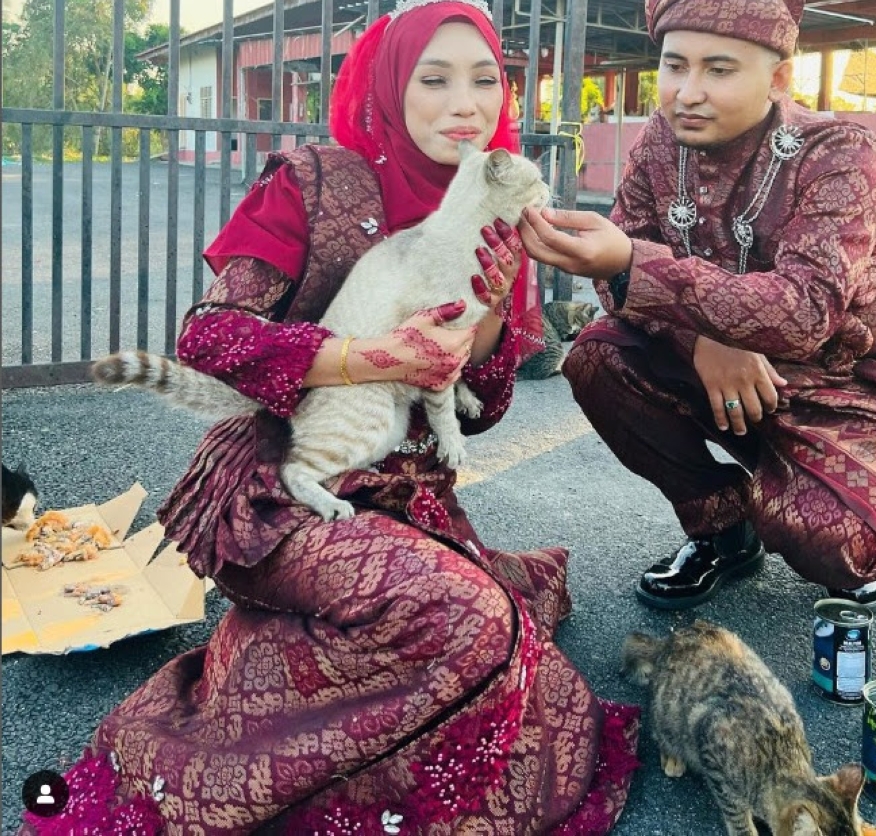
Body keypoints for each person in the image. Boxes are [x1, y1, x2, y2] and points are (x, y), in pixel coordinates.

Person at [20, 2, 640, 833]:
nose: (466, 103)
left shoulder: (495, 211)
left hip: (402, 487)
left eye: (486, 80)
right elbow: (207, 337)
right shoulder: (314, 179)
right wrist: (368, 358)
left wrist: (487, 314)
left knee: (500, 650)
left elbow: (482, 409)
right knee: (477, 624)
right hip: (277, 489)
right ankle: (202, 758)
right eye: (435, 79)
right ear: (390, 86)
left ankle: (277, 655)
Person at [519, 0, 876, 614]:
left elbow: (808, 312)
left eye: (719, 70)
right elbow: (614, 280)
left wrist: (637, 267)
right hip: (713, 368)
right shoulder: (657, 143)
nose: (687, 93)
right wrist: (708, 341)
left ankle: (818, 494)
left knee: (836, 543)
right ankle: (722, 531)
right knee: (597, 358)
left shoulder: (841, 154)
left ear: (778, 78)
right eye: (674, 67)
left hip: (850, 383)